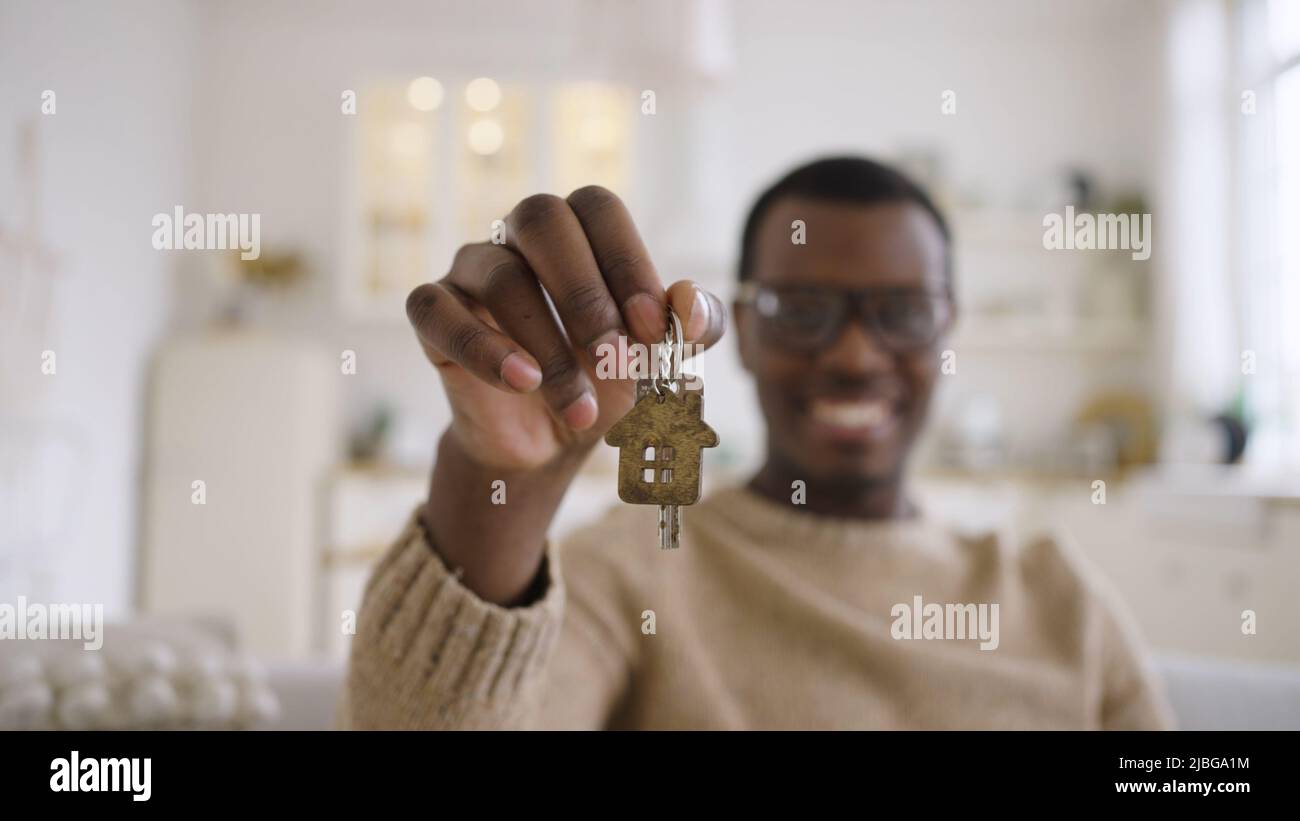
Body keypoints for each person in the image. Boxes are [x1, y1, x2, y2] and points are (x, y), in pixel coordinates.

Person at [343, 156, 1174, 730]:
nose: (853, 354)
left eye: (904, 311)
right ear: (738, 330)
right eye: (803, 309)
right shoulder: (629, 569)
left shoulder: (1061, 598)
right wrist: (497, 482)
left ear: (948, 328)